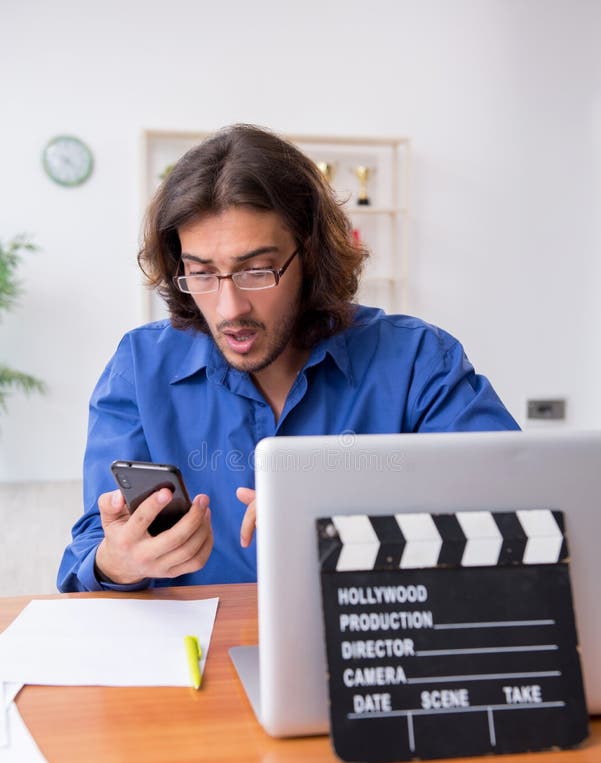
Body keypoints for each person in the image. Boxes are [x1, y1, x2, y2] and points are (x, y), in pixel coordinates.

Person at [58, 124, 519, 593]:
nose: (229, 308)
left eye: (257, 270)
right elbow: (90, 547)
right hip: (200, 656)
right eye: (200, 274)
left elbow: (518, 502)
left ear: (313, 255)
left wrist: (353, 506)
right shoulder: (139, 367)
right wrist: (118, 561)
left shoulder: (418, 360)